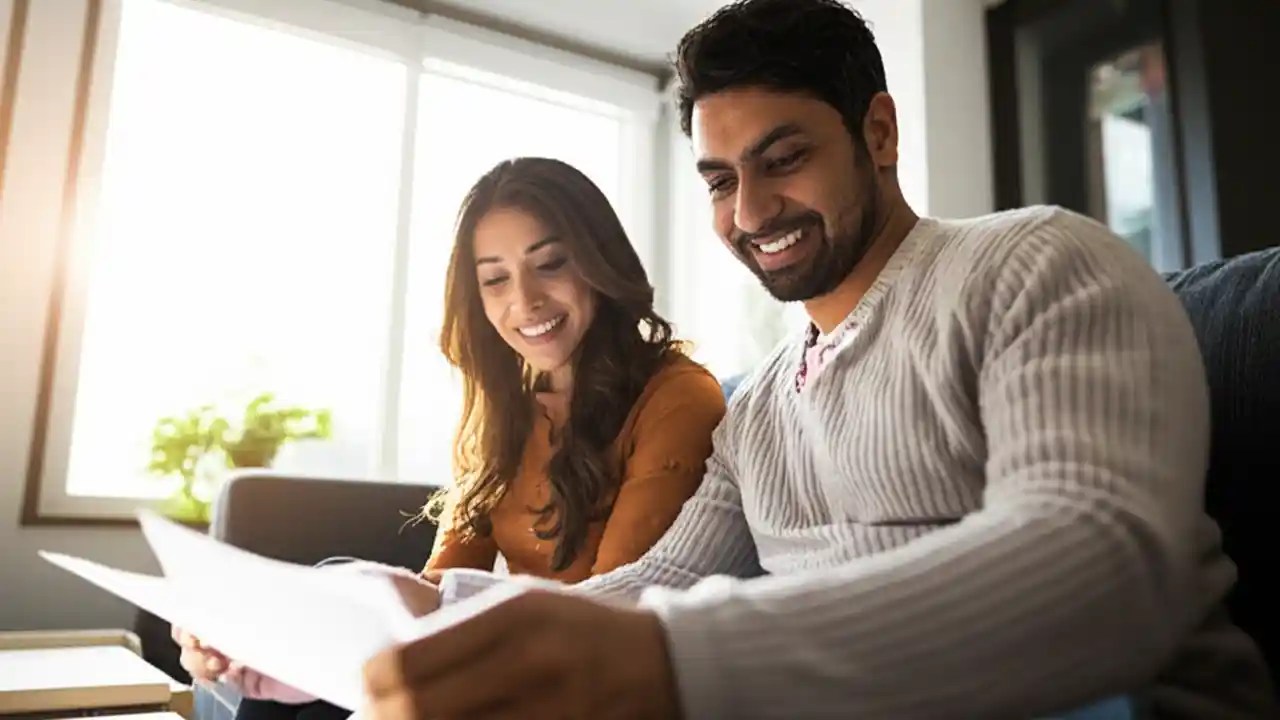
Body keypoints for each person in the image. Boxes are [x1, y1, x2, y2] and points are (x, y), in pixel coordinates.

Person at [358, 1, 1278, 718]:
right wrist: (426, 614)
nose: (752, 211)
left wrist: (675, 661)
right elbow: (657, 583)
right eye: (721, 180)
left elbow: (1099, 565)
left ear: (878, 133)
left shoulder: (1037, 263)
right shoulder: (756, 408)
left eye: (783, 159)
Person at [173, 158, 727, 717]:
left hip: (580, 676)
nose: (525, 300)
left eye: (551, 263)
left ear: (598, 262)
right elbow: (441, 577)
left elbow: (613, 612)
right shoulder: (504, 403)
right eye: (495, 279)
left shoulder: (678, 397)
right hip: (497, 652)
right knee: (318, 615)